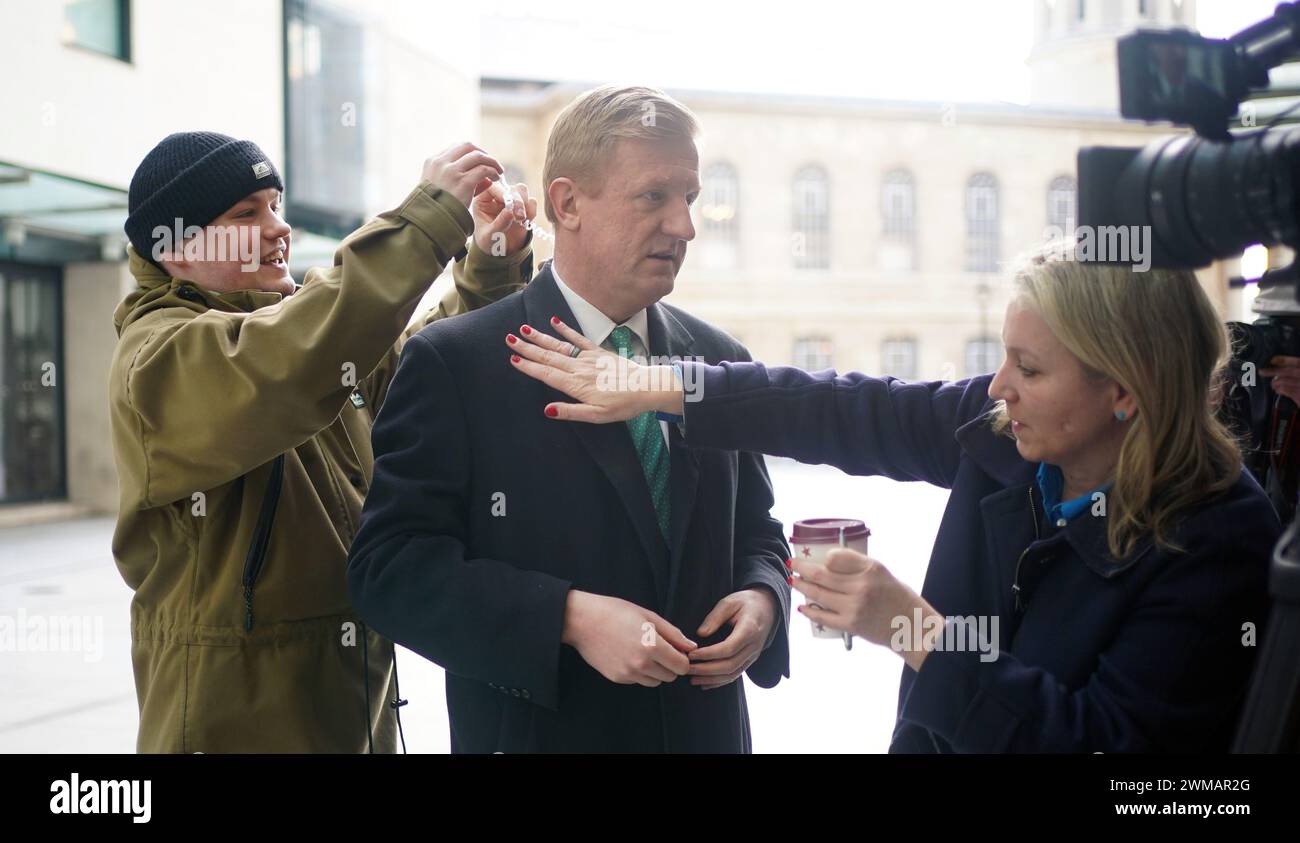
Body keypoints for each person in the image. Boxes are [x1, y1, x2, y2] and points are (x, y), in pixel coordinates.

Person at [508, 243, 1278, 752]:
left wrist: (913, 630)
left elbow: (1107, 750)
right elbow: (842, 408)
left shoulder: (1216, 535)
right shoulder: (1008, 430)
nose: (1000, 389)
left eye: (1030, 369)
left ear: (1124, 391)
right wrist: (666, 385)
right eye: (1001, 360)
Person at [347, 86, 791, 753]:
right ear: (567, 202)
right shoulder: (455, 363)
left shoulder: (720, 361)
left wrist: (764, 601)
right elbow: (389, 572)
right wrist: (568, 617)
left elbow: (757, 531)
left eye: (690, 198)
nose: (685, 226)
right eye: (654, 197)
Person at [109, 131, 536, 752]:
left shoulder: (294, 335)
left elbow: (420, 369)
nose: (278, 228)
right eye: (246, 213)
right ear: (175, 246)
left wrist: (490, 263)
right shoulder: (158, 355)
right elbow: (292, 359)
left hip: (350, 693)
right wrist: (427, 223)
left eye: (276, 206)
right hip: (238, 716)